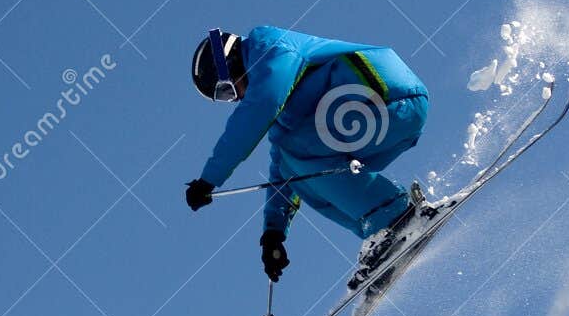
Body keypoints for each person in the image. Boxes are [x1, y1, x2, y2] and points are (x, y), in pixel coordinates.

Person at [184, 26, 431, 286]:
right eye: (225, 99)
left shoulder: (271, 50)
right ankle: (383, 231)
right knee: (297, 172)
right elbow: (283, 170)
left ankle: (397, 218)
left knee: (297, 151)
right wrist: (273, 234)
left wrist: (209, 179)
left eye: (227, 91)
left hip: (383, 94)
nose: (235, 100)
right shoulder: (285, 110)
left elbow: (258, 109)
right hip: (369, 115)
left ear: (229, 62)